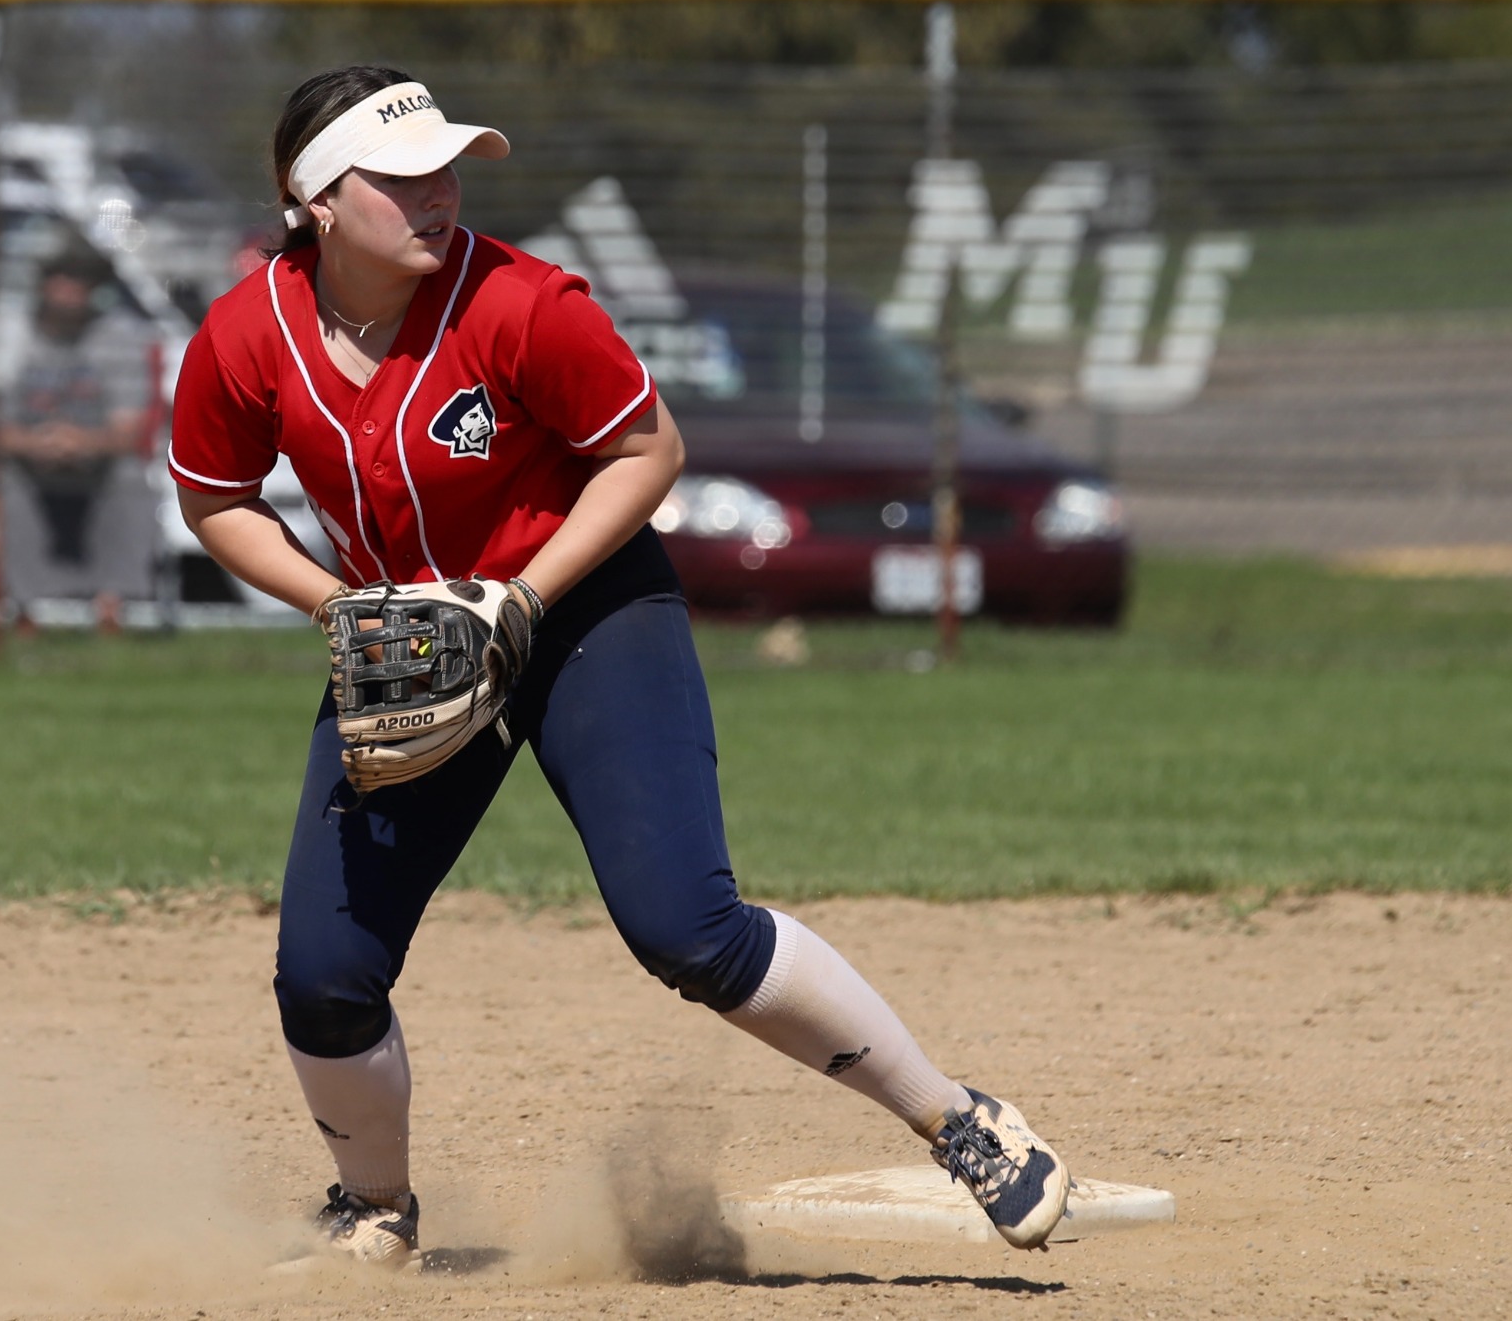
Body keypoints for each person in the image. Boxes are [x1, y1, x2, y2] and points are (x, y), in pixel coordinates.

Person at [169, 65, 1071, 1267]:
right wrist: (341, 605)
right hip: (408, 651)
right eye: (398, 180)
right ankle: (374, 1207)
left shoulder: (520, 304)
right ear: (315, 201)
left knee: (685, 927)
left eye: (443, 169)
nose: (435, 195)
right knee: (323, 974)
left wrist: (521, 598)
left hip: (588, 613)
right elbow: (216, 498)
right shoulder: (244, 336)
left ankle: (956, 1117)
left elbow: (649, 450)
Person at [0, 248, 158, 633]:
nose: (67, 292)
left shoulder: (120, 337)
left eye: (78, 284)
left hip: (97, 458)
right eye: (60, 281)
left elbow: (130, 430)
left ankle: (113, 606)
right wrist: (36, 443)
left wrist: (80, 442)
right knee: (4, 483)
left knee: (132, 477)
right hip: (28, 457)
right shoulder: (11, 333)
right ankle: (21, 608)